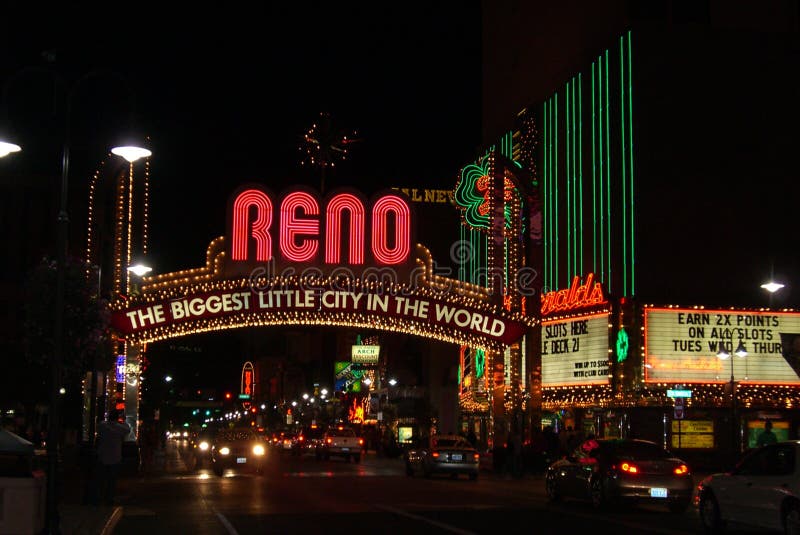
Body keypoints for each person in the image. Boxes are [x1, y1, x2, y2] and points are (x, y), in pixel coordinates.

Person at [92, 409, 131, 505]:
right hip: (115, 457)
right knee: (112, 480)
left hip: (102, 456)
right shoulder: (120, 428)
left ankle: (100, 497)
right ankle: (109, 498)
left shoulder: (102, 426)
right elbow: (128, 429)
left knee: (101, 479)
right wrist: (124, 420)